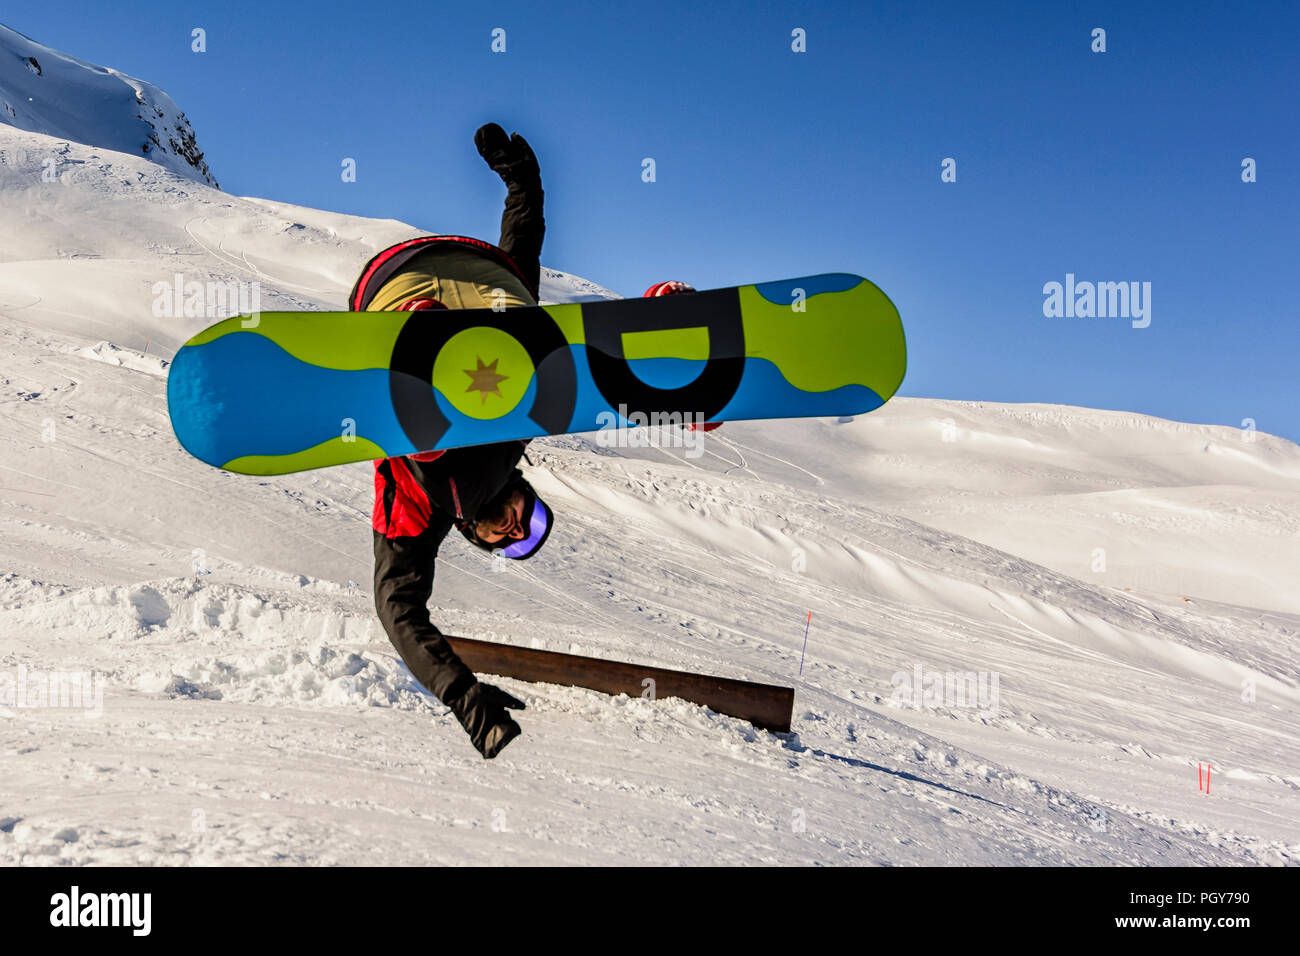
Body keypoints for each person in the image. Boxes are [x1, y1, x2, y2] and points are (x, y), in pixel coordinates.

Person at [354, 122, 694, 759]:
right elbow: (524, 255)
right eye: (528, 520)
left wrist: (464, 697)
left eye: (509, 540)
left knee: (444, 461)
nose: (513, 527)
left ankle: (421, 384)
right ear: (527, 492)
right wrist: (523, 181)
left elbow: (398, 610)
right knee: (532, 363)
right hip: (488, 299)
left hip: (399, 293)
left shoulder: (417, 513)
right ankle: (671, 360)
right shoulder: (528, 416)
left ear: (473, 540)